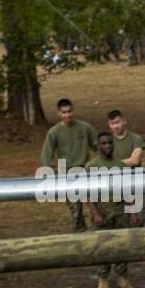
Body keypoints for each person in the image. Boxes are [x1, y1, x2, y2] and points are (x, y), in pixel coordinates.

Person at [85, 132, 138, 288]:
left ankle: (122, 276)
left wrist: (132, 210)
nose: (107, 146)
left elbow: (126, 189)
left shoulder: (120, 165)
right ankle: (103, 277)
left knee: (122, 243)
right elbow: (87, 193)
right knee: (103, 245)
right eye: (103, 143)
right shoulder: (91, 166)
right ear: (98, 145)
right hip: (102, 210)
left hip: (119, 210)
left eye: (109, 143)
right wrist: (95, 213)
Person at [40, 98, 98, 233]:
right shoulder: (54, 132)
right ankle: (80, 231)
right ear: (59, 114)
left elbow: (98, 146)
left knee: (95, 202)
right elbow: (46, 155)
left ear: (73, 110)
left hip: (85, 169)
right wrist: (53, 173)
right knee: (75, 208)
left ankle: (97, 228)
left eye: (69, 111)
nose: (67, 115)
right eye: (64, 112)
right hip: (66, 172)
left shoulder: (85, 127)